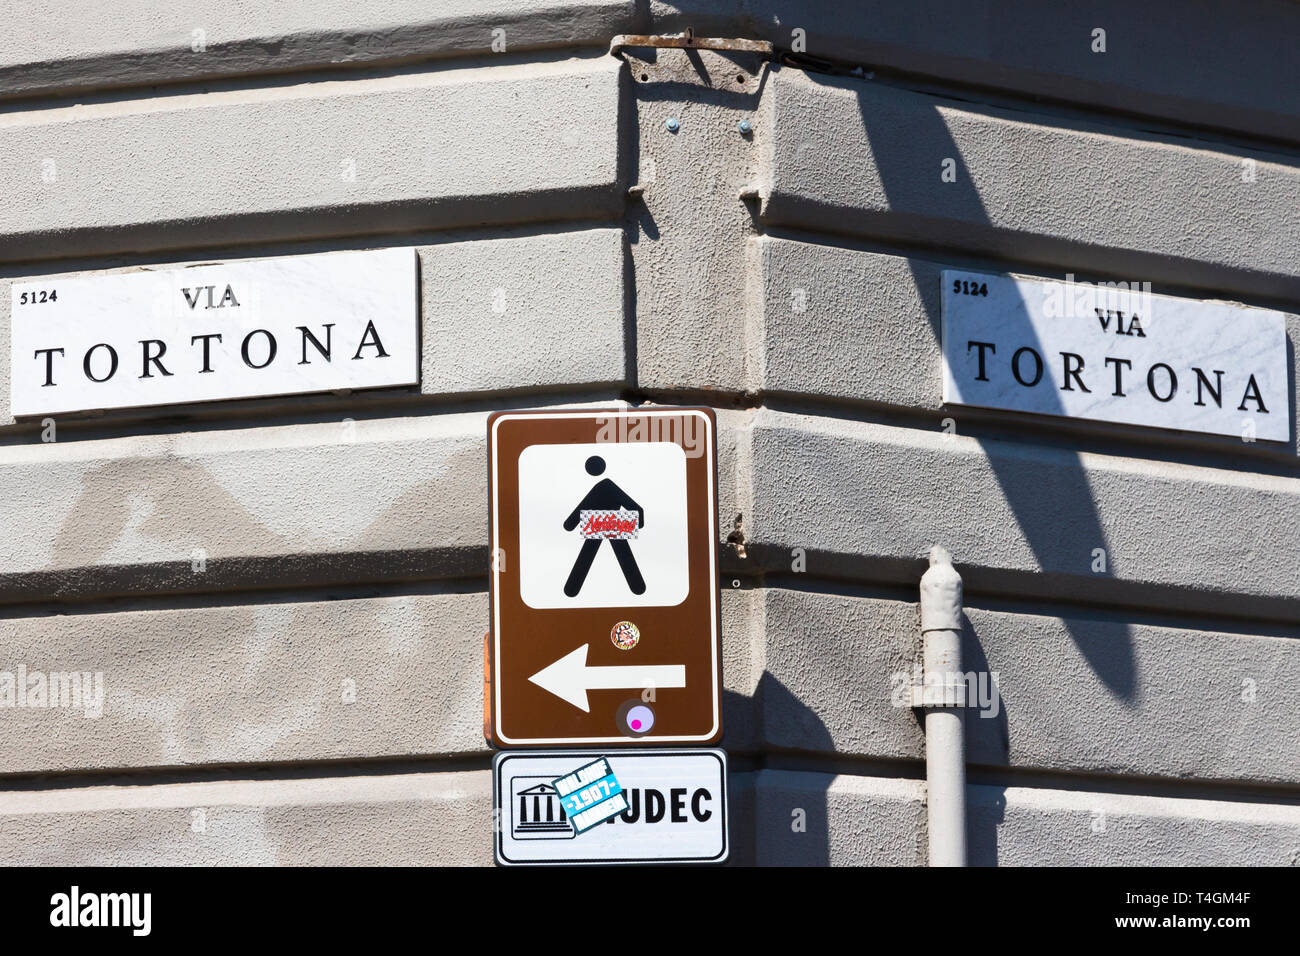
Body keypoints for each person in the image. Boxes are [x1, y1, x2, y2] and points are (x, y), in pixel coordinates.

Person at [562, 455, 646, 597]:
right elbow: (638, 510)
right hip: (610, 525)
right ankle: (638, 588)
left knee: (589, 552)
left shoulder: (601, 488)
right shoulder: (606, 487)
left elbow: (583, 505)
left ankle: (571, 590)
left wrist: (570, 524)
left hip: (602, 524)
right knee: (617, 552)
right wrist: (636, 523)